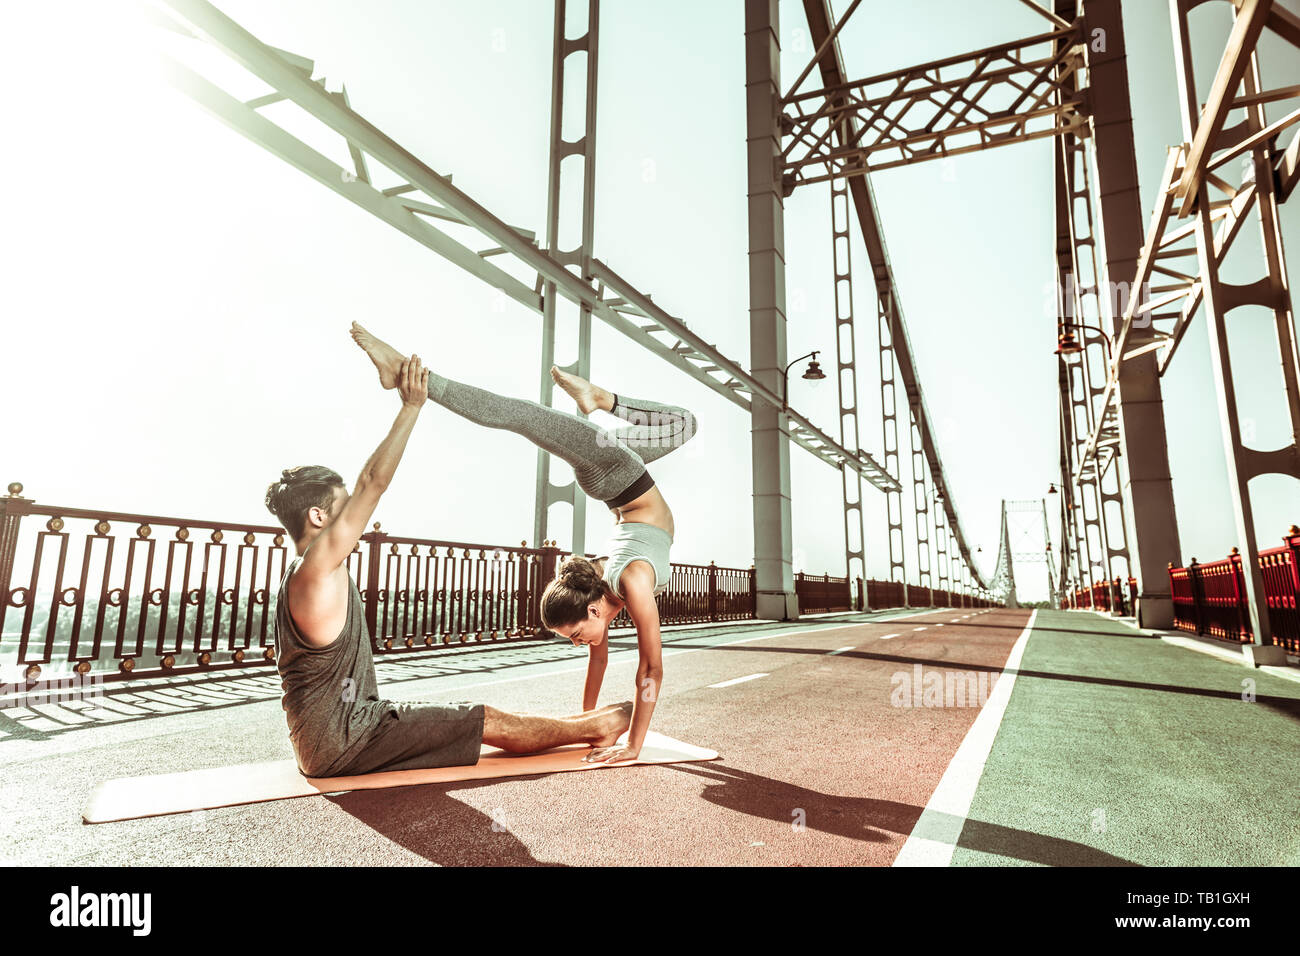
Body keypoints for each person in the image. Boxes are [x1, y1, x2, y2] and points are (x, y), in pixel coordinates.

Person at [264, 350, 632, 778]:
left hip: (339, 734)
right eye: (344, 509)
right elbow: (372, 483)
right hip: (348, 739)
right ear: (318, 517)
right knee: (482, 719)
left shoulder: (303, 574)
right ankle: (599, 725)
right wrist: (411, 405)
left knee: (469, 718)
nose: (354, 520)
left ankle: (587, 724)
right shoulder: (316, 569)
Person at [349, 322, 697, 766]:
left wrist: (628, 742)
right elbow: (648, 668)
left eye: (574, 636)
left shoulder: (619, 587)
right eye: (575, 637)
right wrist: (607, 733)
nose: (580, 643)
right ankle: (594, 399)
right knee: (676, 423)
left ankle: (412, 374)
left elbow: (638, 668)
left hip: (617, 471)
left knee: (536, 418)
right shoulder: (626, 586)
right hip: (619, 475)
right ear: (595, 610)